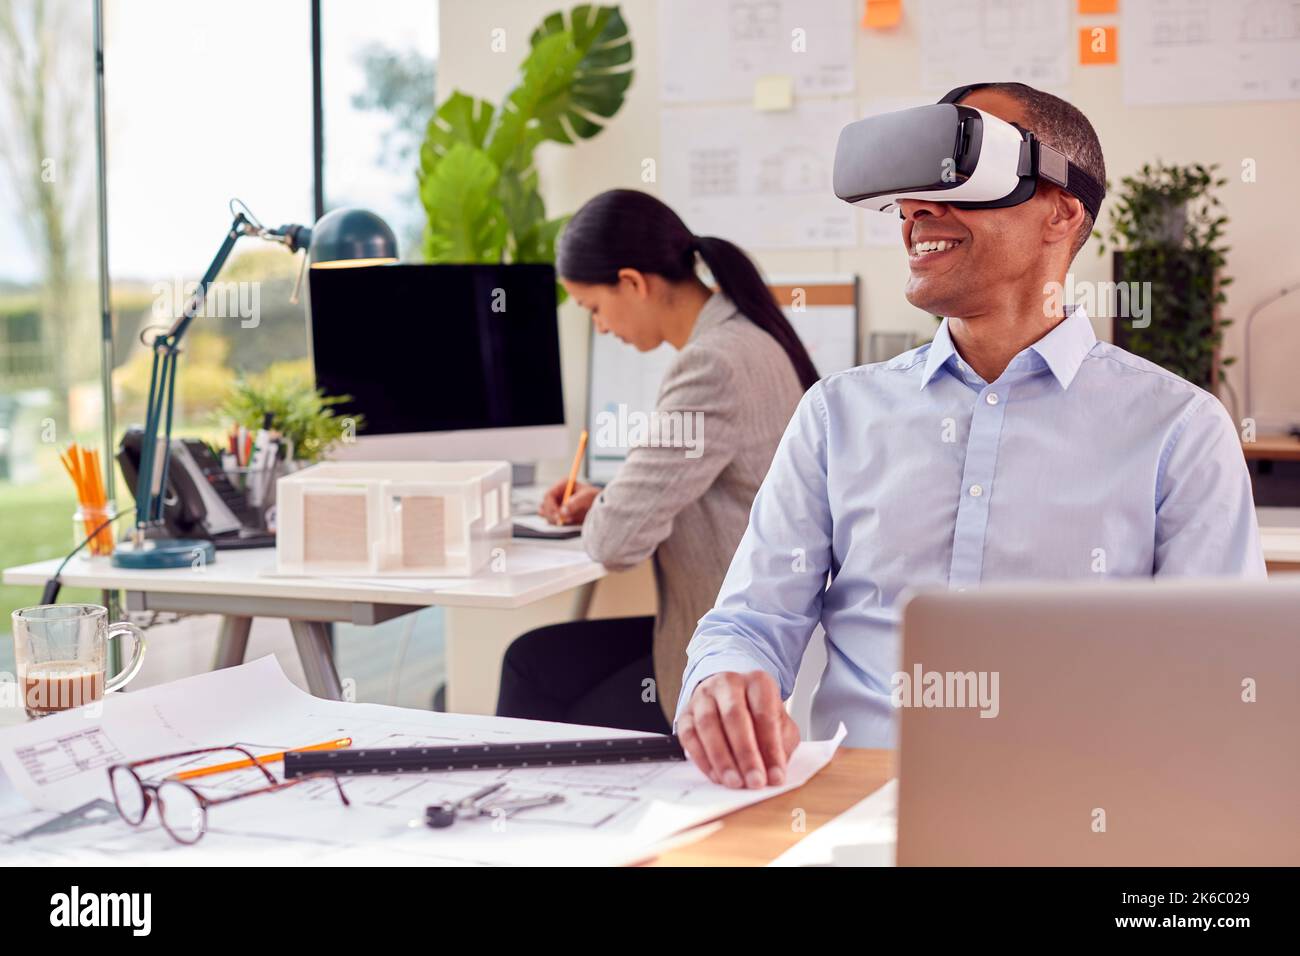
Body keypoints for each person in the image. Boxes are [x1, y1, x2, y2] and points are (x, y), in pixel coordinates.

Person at [675, 82, 1266, 790]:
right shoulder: (836, 415)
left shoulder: (1179, 430)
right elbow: (749, 622)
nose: (917, 210)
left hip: (1073, 810)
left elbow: (1212, 681)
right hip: (852, 810)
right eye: (910, 193)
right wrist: (723, 680)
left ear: (1061, 210)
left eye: (957, 175)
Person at [495, 189, 818, 733]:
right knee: (533, 661)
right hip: (767, 634)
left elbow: (613, 542)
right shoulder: (748, 335)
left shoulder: (712, 364)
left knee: (541, 683)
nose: (600, 328)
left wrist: (611, 508)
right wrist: (608, 498)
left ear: (632, 283)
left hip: (732, 659)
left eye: (593, 308)